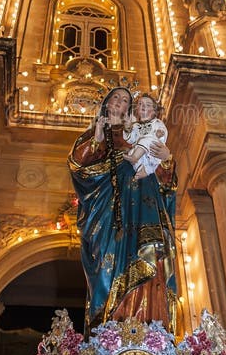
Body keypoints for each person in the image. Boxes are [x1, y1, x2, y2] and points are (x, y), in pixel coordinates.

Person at [67, 86, 178, 338]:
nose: (119, 101)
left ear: (130, 108)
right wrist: (97, 138)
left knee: (150, 253)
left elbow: (164, 178)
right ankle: (110, 332)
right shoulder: (97, 133)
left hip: (145, 203)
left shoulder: (139, 131)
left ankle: (151, 330)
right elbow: (78, 165)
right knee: (109, 262)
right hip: (109, 210)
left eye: (125, 99)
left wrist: (166, 158)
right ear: (106, 103)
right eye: (115, 97)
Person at [123, 93, 168, 180]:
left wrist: (160, 133)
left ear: (154, 111)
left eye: (148, 105)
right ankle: (142, 169)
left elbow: (163, 131)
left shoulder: (157, 122)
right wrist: (127, 128)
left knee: (147, 140)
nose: (143, 106)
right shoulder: (135, 126)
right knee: (132, 151)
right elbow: (130, 140)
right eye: (140, 104)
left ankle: (139, 162)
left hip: (153, 151)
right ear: (137, 109)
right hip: (139, 155)